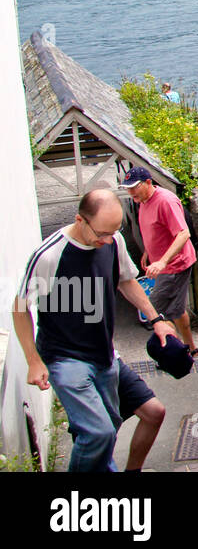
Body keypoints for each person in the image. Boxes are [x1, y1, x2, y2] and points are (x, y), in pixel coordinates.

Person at [12, 188, 176, 472]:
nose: (107, 240)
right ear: (80, 220)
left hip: (104, 354)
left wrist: (156, 319)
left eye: (113, 232)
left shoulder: (113, 242)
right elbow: (19, 307)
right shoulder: (50, 256)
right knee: (98, 432)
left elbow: (126, 281)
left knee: (109, 427)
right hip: (64, 358)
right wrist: (33, 360)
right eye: (101, 233)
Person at [121, 166, 198, 358]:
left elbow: (183, 234)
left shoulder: (165, 201)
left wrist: (162, 262)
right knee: (177, 309)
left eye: (134, 187)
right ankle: (190, 349)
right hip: (165, 264)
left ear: (149, 183)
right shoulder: (143, 200)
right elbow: (156, 229)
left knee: (155, 313)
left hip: (175, 265)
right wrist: (148, 251)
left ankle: (173, 357)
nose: (130, 192)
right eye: (128, 188)